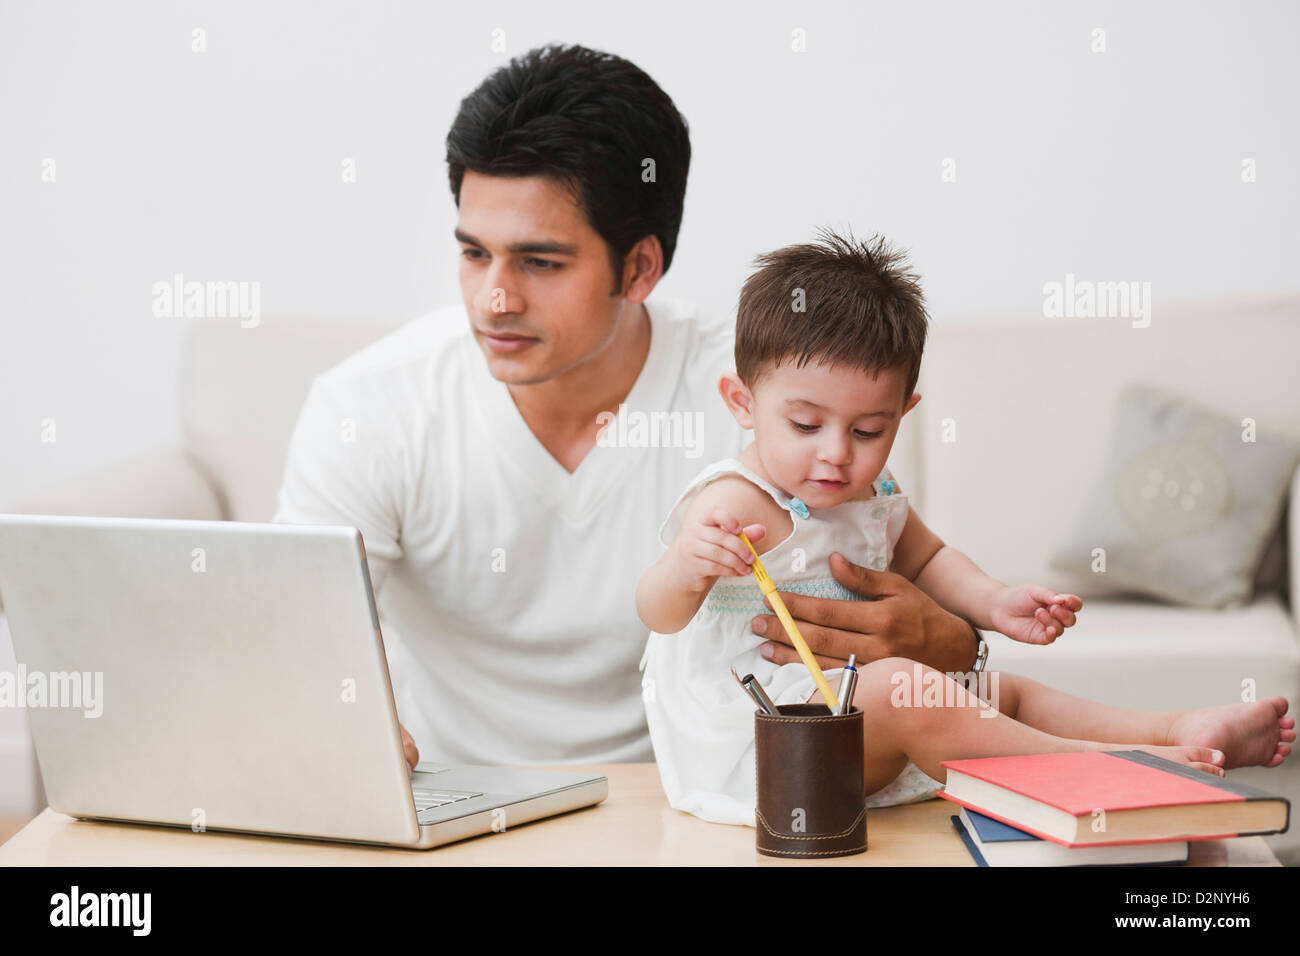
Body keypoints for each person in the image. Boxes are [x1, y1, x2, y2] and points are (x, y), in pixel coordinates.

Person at [273, 43, 983, 774]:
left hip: (700, 805)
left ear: (640, 267)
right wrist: (343, 718)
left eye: (540, 262)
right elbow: (293, 634)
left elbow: (907, 600)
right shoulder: (372, 405)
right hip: (455, 800)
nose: (494, 298)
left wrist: (959, 644)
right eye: (475, 253)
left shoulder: (774, 402)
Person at [635, 228, 1295, 825]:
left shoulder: (874, 491)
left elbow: (928, 560)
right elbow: (657, 615)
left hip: (864, 722)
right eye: (806, 425)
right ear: (742, 402)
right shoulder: (737, 501)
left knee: (1000, 692)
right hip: (768, 746)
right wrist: (687, 564)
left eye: (869, 429)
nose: (837, 453)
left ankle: (1177, 728)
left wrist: (996, 600)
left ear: (904, 412)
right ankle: (1113, 764)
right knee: (905, 685)